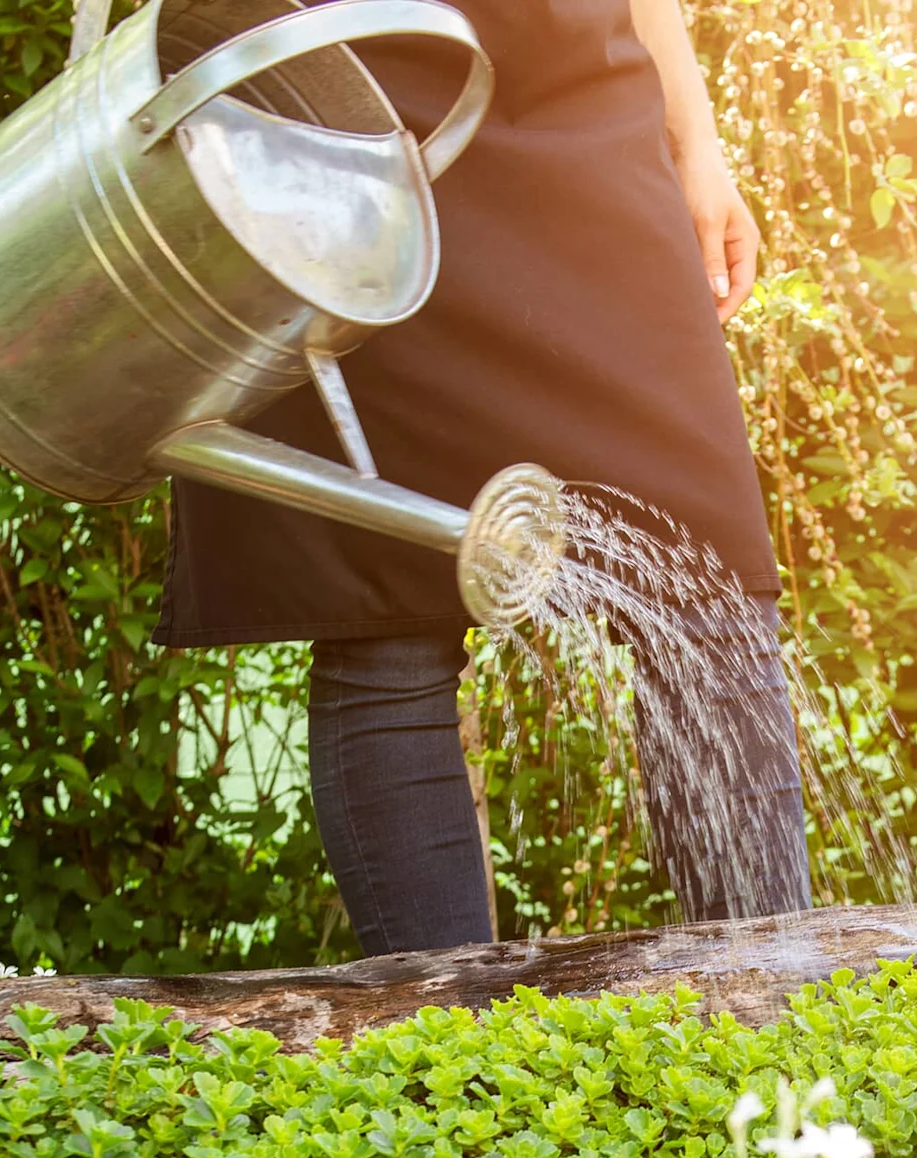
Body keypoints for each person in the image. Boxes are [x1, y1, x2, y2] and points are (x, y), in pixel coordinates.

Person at [151, 0, 813, 954]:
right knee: (386, 613)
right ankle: (447, 1041)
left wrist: (698, 147)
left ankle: (765, 1004)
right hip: (344, 102)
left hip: (583, 95)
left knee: (705, 594)